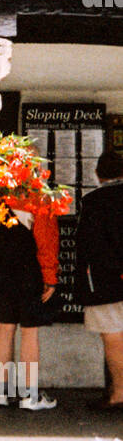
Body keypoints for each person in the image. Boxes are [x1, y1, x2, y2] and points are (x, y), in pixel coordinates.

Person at [0, 198, 60, 410]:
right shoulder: (37, 199)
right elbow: (46, 241)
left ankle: (1, 393)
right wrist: (50, 277)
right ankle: (29, 395)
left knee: (4, 328)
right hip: (29, 272)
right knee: (29, 331)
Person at [74, 148, 123, 411]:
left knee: (113, 337)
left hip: (106, 282)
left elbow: (87, 245)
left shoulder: (93, 202)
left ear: (97, 173)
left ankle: (119, 394)